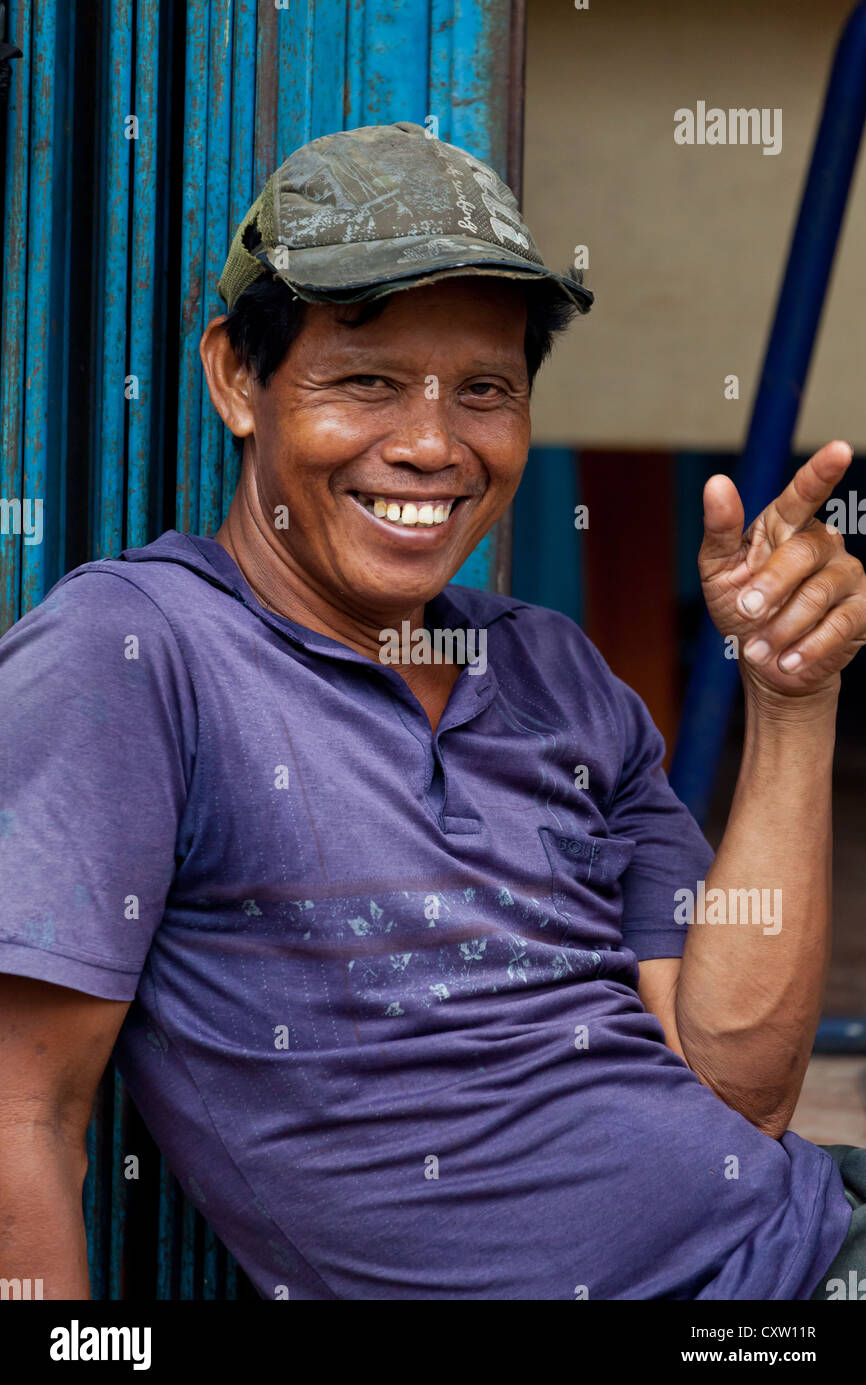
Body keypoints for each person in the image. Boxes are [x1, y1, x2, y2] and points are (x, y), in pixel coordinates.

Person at [1, 121, 865, 1301]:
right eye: (365, 381)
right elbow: (20, 1109)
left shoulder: (553, 668)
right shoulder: (139, 653)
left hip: (809, 1248)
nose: (429, 444)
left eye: (483, 391)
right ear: (236, 379)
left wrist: (791, 698)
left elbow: (741, 1091)